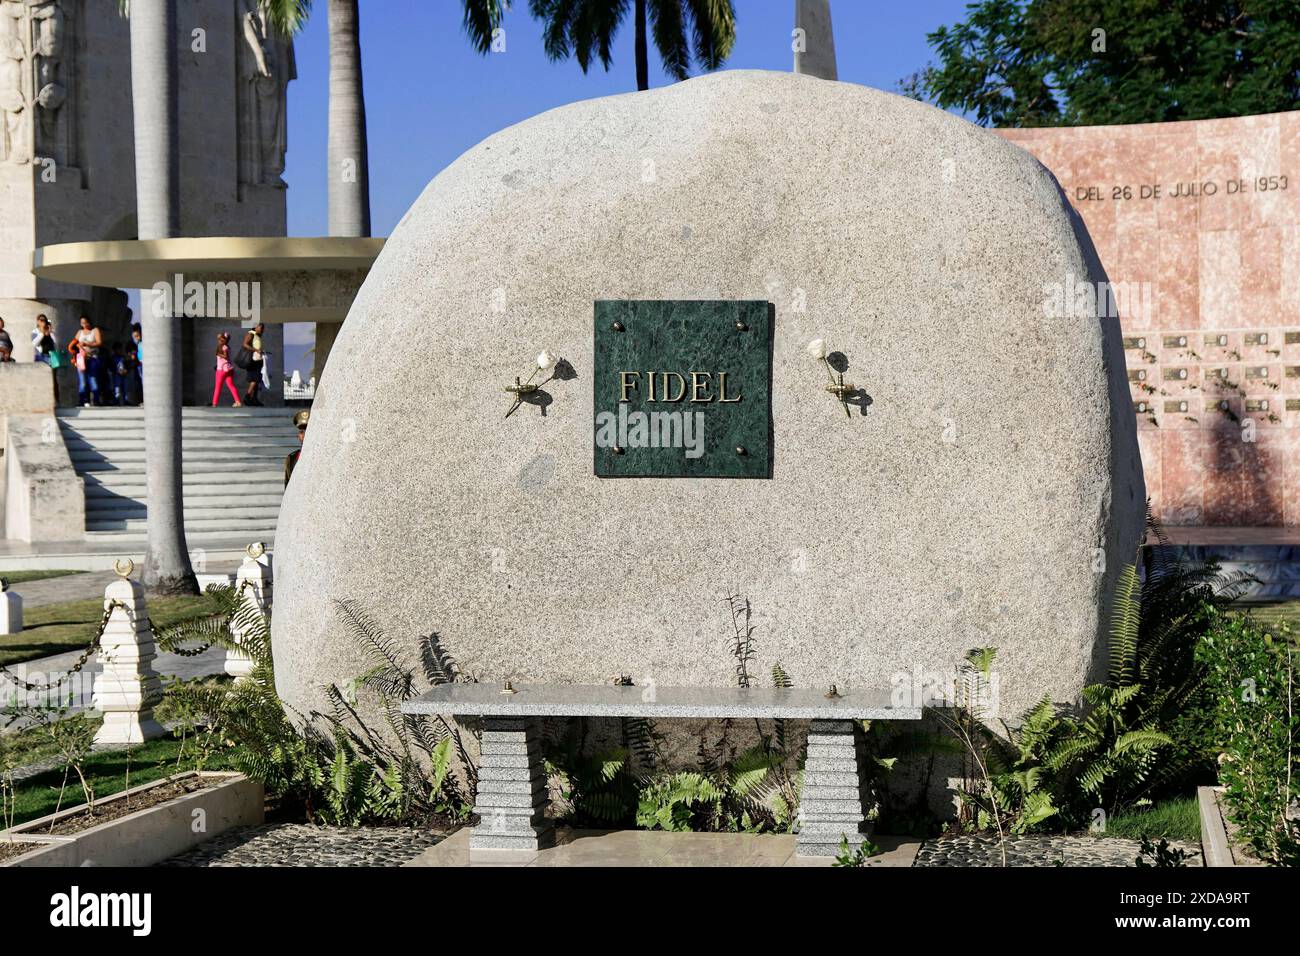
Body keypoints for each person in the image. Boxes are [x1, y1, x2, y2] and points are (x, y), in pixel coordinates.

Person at [72, 315, 103, 406]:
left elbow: (99, 342)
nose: (84, 325)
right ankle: (83, 400)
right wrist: (77, 348)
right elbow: (73, 344)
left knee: (93, 379)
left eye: (86, 323)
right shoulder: (80, 332)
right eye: (82, 323)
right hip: (81, 358)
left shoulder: (94, 330)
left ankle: (96, 400)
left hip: (92, 357)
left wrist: (87, 344)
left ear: (89, 322)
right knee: (82, 381)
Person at [212, 332, 243, 407]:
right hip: (229, 369)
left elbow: (225, 356)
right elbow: (218, 336)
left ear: (224, 340)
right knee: (231, 385)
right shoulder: (227, 346)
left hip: (221, 370)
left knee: (218, 387)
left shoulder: (223, 347)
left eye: (221, 339)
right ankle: (238, 401)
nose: (219, 340)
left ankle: (214, 403)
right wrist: (221, 336)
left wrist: (218, 354)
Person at [242, 323, 267, 406]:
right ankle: (247, 396)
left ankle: (254, 399)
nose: (262, 329)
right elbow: (245, 344)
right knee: (255, 379)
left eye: (263, 328)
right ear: (255, 327)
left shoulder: (257, 336)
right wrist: (256, 350)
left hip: (258, 360)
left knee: (258, 380)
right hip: (253, 361)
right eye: (260, 327)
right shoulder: (251, 334)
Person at [284, 409, 308, 486]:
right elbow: (287, 485)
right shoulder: (291, 458)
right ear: (298, 436)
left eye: (307, 431)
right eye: (301, 432)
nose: (304, 435)